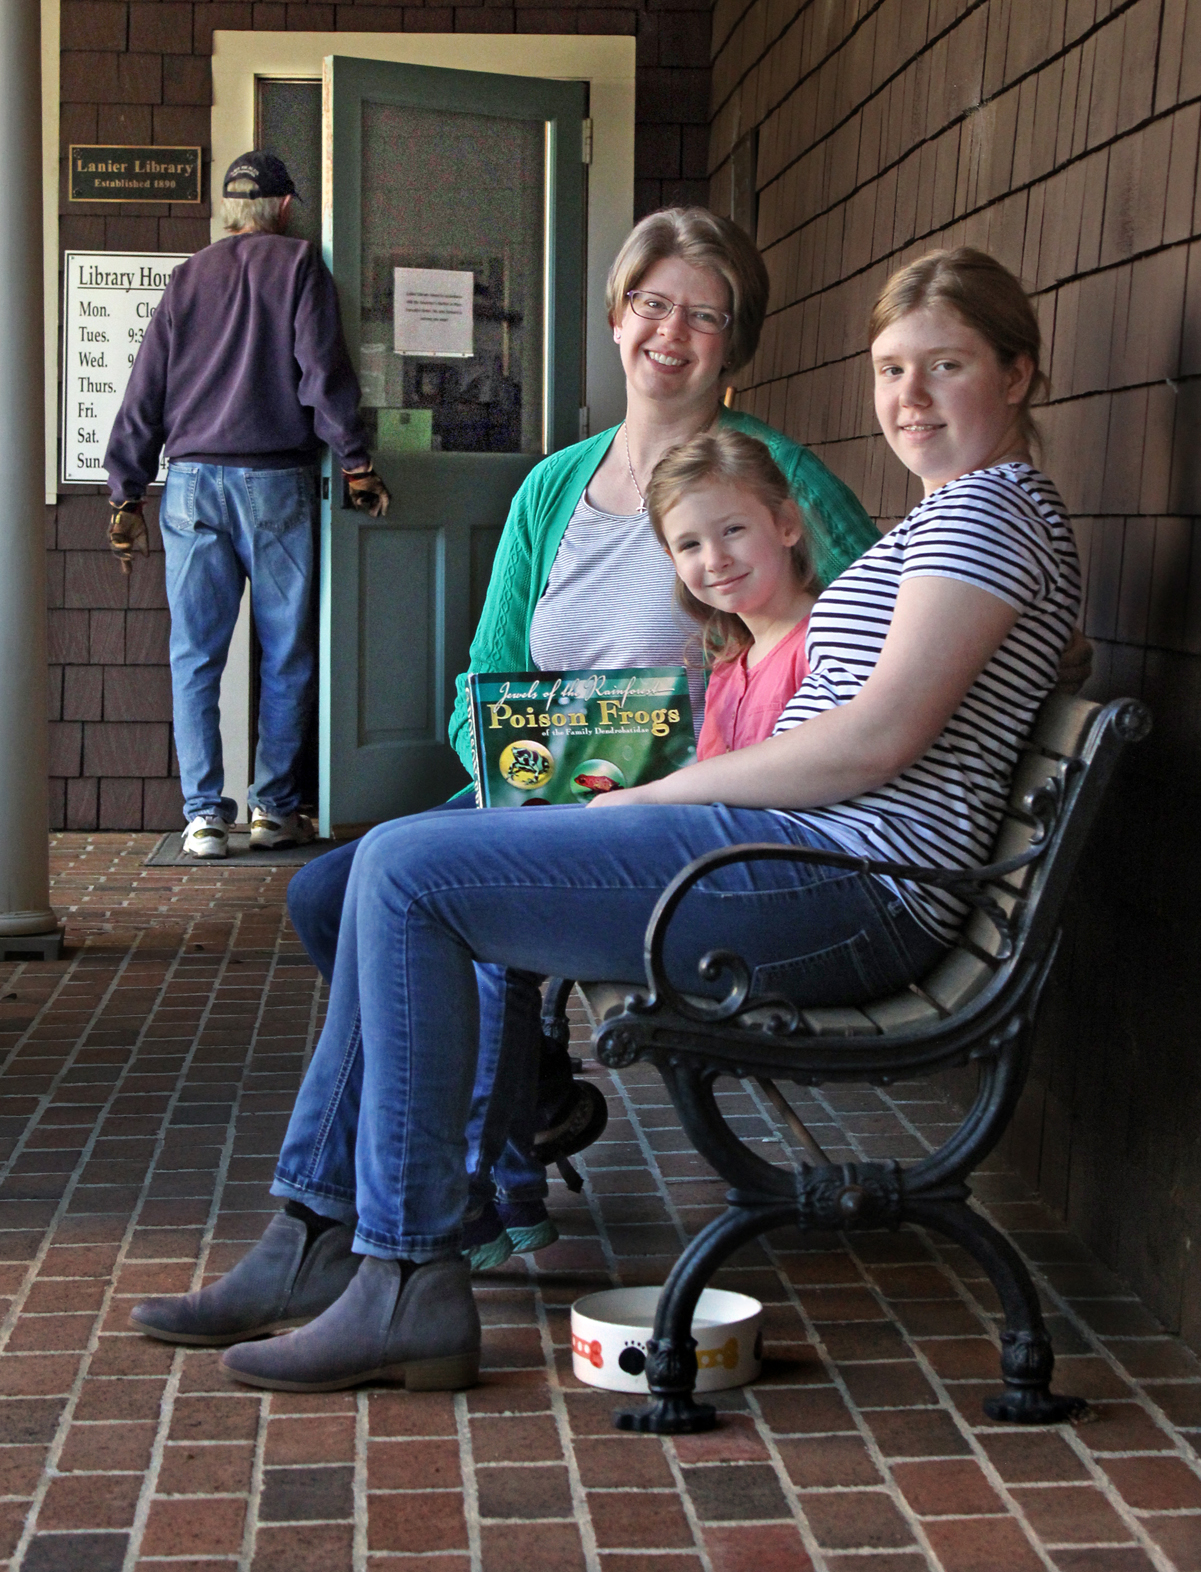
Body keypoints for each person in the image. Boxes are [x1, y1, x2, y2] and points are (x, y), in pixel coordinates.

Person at [130, 244, 1082, 1398]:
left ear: (1019, 375)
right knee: (390, 865)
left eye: (946, 367)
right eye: (890, 370)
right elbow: (958, 671)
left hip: (840, 883)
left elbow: (873, 741)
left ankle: (394, 1269)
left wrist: (650, 793)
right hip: (800, 861)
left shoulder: (983, 517)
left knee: (406, 874)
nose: (909, 399)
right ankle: (333, 1242)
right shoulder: (961, 520)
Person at [283, 206, 880, 1271]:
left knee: (442, 891)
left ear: (734, 342)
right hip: (542, 778)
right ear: (616, 315)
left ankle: (469, 1191)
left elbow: (877, 619)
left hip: (681, 805)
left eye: (704, 314)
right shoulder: (553, 488)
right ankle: (534, 1100)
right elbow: (484, 678)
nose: (671, 331)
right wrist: (519, 770)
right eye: (652, 302)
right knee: (325, 892)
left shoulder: (771, 478)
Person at [104, 151, 391, 860]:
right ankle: (273, 808)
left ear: (229, 211)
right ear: (286, 208)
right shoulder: (298, 268)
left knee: (195, 656)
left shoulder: (186, 279)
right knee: (285, 651)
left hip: (193, 484)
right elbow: (322, 374)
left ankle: (202, 817)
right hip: (275, 483)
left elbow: (145, 392)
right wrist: (355, 461)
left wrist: (125, 490)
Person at [644, 432, 818, 759]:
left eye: (732, 530)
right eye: (690, 545)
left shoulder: (827, 644)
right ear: (673, 560)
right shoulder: (725, 674)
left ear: (786, 524)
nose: (715, 560)